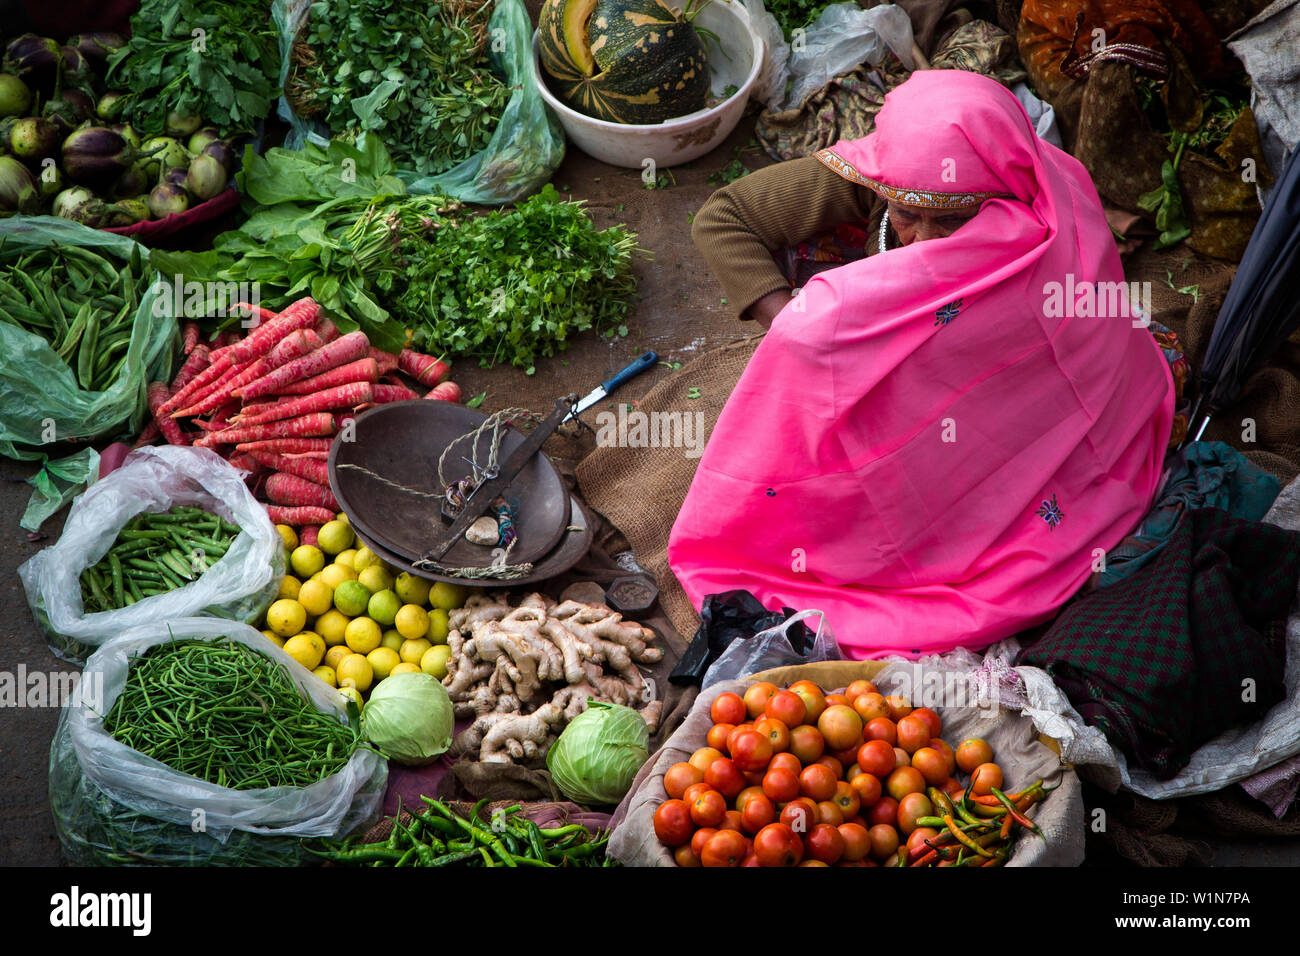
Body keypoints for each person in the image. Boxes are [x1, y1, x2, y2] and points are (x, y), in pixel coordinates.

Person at [667, 70, 1175, 658]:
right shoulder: (868, 176)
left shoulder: (1051, 221)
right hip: (866, 355)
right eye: (906, 213)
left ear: (1005, 196)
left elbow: (1077, 355)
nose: (924, 242)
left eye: (955, 221)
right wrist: (798, 335)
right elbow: (724, 217)